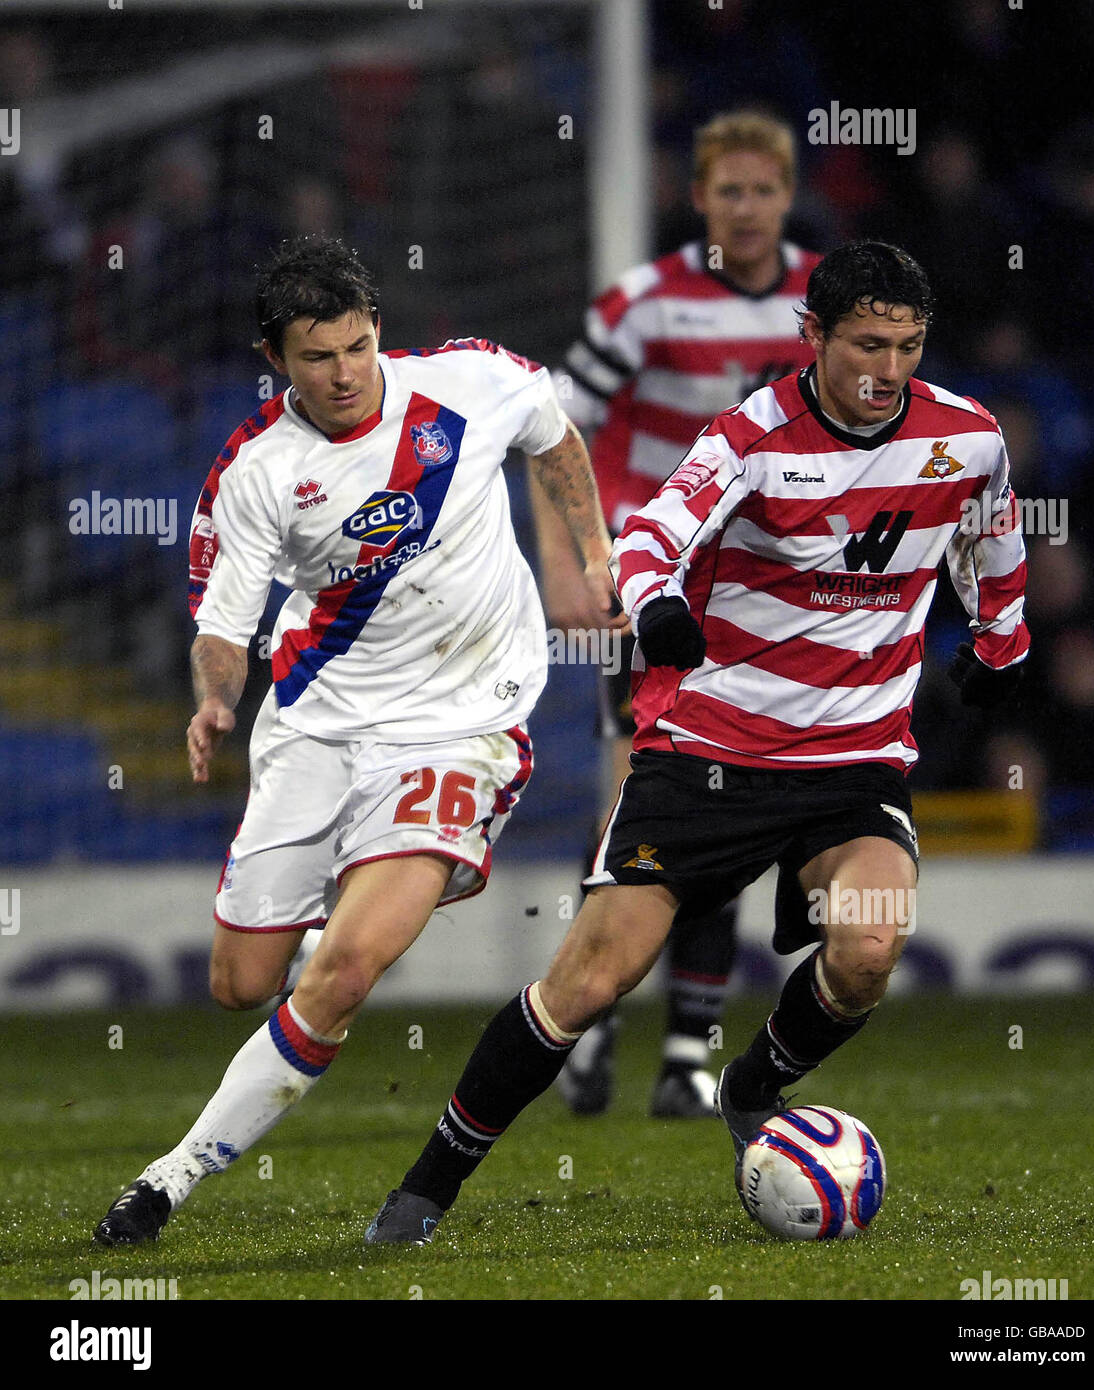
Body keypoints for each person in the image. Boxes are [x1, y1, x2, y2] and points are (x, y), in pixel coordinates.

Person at [367, 240, 1029, 1246]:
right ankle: (428, 1182)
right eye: (864, 342)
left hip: (855, 758)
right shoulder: (751, 436)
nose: (885, 369)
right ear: (812, 334)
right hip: (707, 749)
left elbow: (992, 538)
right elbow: (646, 536)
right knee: (588, 981)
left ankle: (750, 1086)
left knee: (869, 947)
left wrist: (999, 637)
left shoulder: (968, 437)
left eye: (905, 345)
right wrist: (654, 605)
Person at [93, 235, 624, 1246]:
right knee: (241, 984)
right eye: (315, 356)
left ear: (379, 328)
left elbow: (553, 435)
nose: (343, 374)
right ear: (273, 358)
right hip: (319, 722)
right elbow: (222, 626)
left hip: (464, 728)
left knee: (341, 971)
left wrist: (592, 548)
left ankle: (170, 1177)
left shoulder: (470, 383)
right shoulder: (256, 473)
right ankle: (311, 913)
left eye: (356, 346)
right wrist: (214, 702)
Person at [530, 109, 820, 1118]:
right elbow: (550, 428)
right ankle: (585, 1025)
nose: (745, 209)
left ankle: (688, 1056)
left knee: (732, 807)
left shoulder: (821, 303)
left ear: (786, 196)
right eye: (726, 190)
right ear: (698, 198)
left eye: (762, 190)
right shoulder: (643, 303)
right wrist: (568, 561)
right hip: (650, 587)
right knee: (633, 808)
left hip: (758, 600)